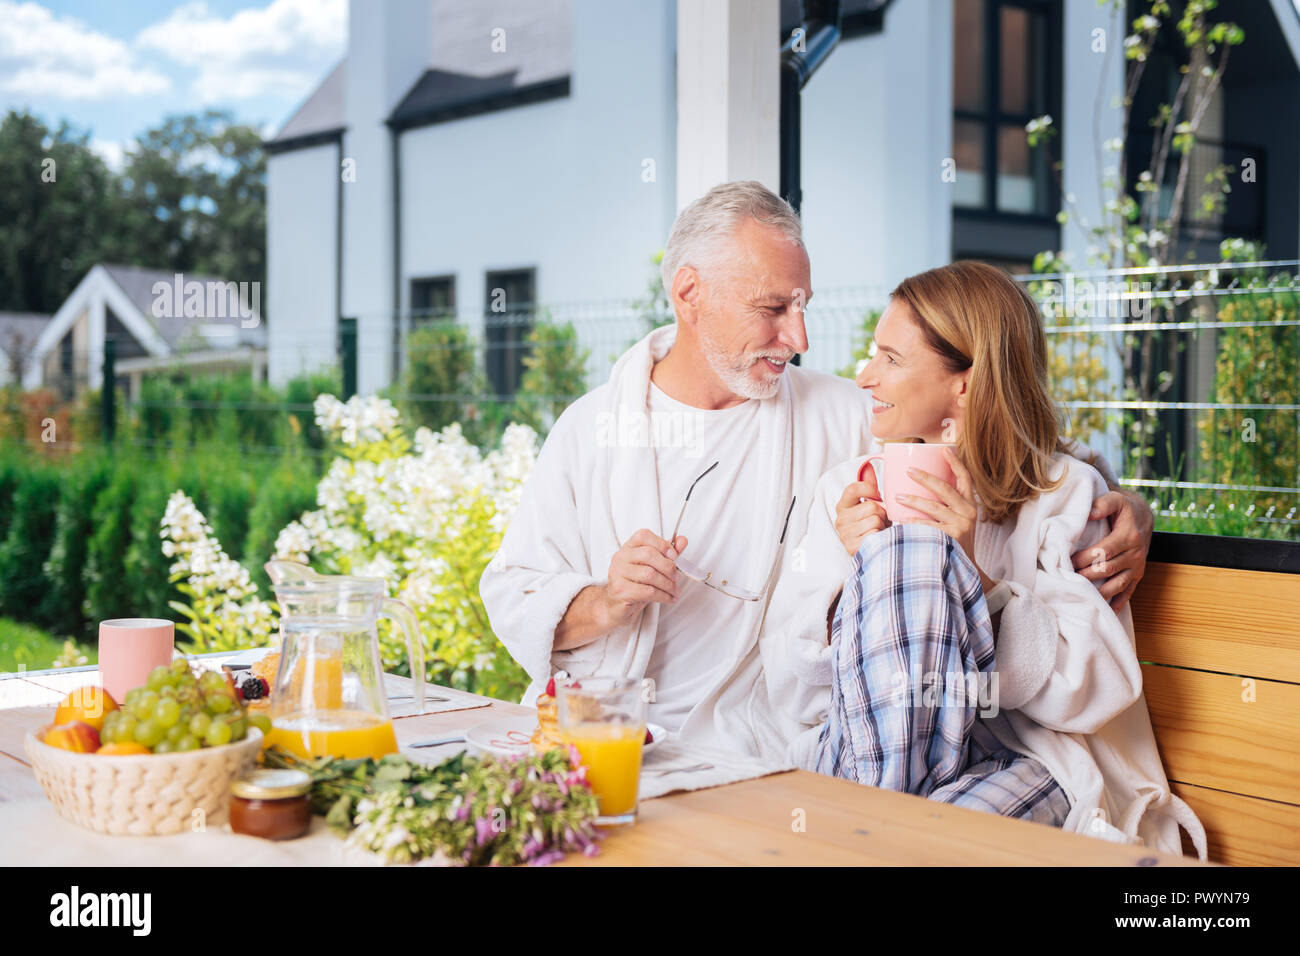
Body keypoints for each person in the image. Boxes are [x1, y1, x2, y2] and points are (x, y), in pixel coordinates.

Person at [479, 181, 1153, 759]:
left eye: (802, 306)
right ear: (690, 294)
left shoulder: (839, 412)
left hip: (744, 744)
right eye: (773, 309)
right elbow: (513, 594)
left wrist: (1120, 498)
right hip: (606, 733)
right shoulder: (592, 428)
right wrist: (605, 600)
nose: (799, 339)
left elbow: (989, 434)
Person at [763, 260, 1206, 859]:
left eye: (891, 359)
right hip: (862, 751)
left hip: (1026, 757)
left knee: (930, 845)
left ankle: (864, 839)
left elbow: (1090, 690)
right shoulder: (850, 488)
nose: (865, 377)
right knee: (906, 554)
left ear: (965, 383)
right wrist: (862, 577)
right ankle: (872, 833)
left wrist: (974, 582)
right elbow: (794, 689)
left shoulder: (1067, 494)